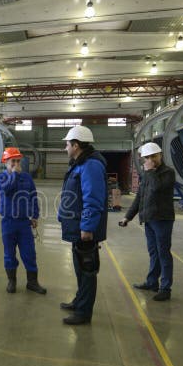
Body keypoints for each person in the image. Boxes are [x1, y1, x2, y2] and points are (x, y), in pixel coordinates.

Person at [58, 126, 108, 325]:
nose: (65, 148)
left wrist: (87, 227)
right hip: (77, 227)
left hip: (84, 230)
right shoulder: (81, 163)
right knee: (80, 268)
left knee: (87, 270)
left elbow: (93, 198)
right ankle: (80, 301)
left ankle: (84, 313)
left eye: (67, 144)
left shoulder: (90, 165)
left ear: (76, 145)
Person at [119, 142, 176, 301]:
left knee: (163, 253)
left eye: (154, 156)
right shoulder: (147, 174)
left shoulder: (168, 173)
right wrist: (127, 217)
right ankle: (152, 282)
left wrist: (150, 171)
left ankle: (165, 288)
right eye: (147, 157)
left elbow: (158, 188)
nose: (151, 159)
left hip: (162, 220)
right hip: (149, 219)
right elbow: (140, 197)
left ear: (160, 156)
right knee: (153, 252)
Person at [0, 147, 45, 294]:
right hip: (8, 222)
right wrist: (14, 175)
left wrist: (35, 216)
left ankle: (32, 282)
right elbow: (6, 190)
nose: (16, 164)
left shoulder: (27, 178)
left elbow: (33, 197)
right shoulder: (1, 178)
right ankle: (12, 281)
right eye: (12, 161)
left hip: (24, 223)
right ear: (5, 162)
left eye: (18, 161)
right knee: (9, 253)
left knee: (29, 253)